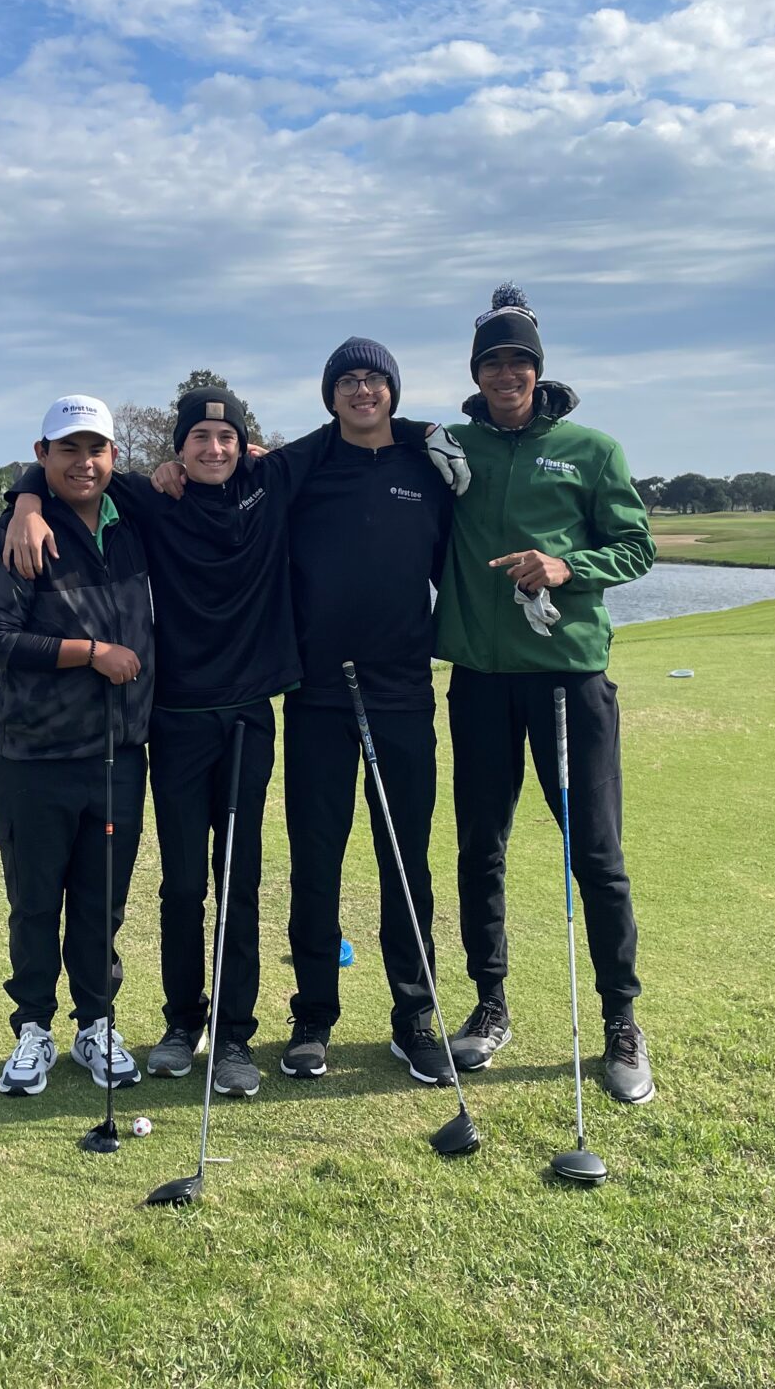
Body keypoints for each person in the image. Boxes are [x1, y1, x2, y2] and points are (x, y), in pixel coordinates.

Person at [3, 387, 310, 1100]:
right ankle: (182, 1021)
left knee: (237, 879)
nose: (214, 449)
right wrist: (23, 502)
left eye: (226, 437)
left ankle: (234, 1034)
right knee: (181, 884)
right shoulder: (151, 497)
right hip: (174, 721)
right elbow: (71, 469)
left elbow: (358, 431)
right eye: (199, 437)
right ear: (179, 447)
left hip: (248, 716)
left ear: (243, 444)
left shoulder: (268, 483)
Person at [435, 284, 658, 1104]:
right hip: (480, 681)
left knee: (595, 854)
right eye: (492, 362)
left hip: (569, 679)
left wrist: (570, 567)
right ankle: (490, 1005)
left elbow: (636, 546)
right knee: (480, 849)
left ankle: (621, 1020)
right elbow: (358, 443)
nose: (506, 374)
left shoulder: (592, 450)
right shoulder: (449, 445)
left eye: (518, 361)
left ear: (538, 369)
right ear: (477, 372)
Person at [272, 339, 461, 1088]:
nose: (361, 390)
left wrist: (419, 430)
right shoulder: (303, 464)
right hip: (317, 693)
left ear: (392, 391)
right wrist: (28, 490)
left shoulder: (428, 466)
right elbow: (221, 474)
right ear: (330, 394)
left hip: (402, 690)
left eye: (374, 379)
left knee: (405, 860)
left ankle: (415, 1016)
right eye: (347, 379)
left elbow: (454, 562)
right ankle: (313, 1016)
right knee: (315, 860)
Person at [0, 395, 154, 1098]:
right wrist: (92, 652)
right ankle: (33, 1029)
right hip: (33, 757)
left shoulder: (134, 520)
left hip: (118, 752)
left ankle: (95, 1024)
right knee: (36, 904)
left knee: (103, 904)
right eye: (67, 449)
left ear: (113, 456)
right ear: (41, 455)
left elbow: (200, 476)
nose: (84, 462)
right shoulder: (15, 536)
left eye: (95, 449)